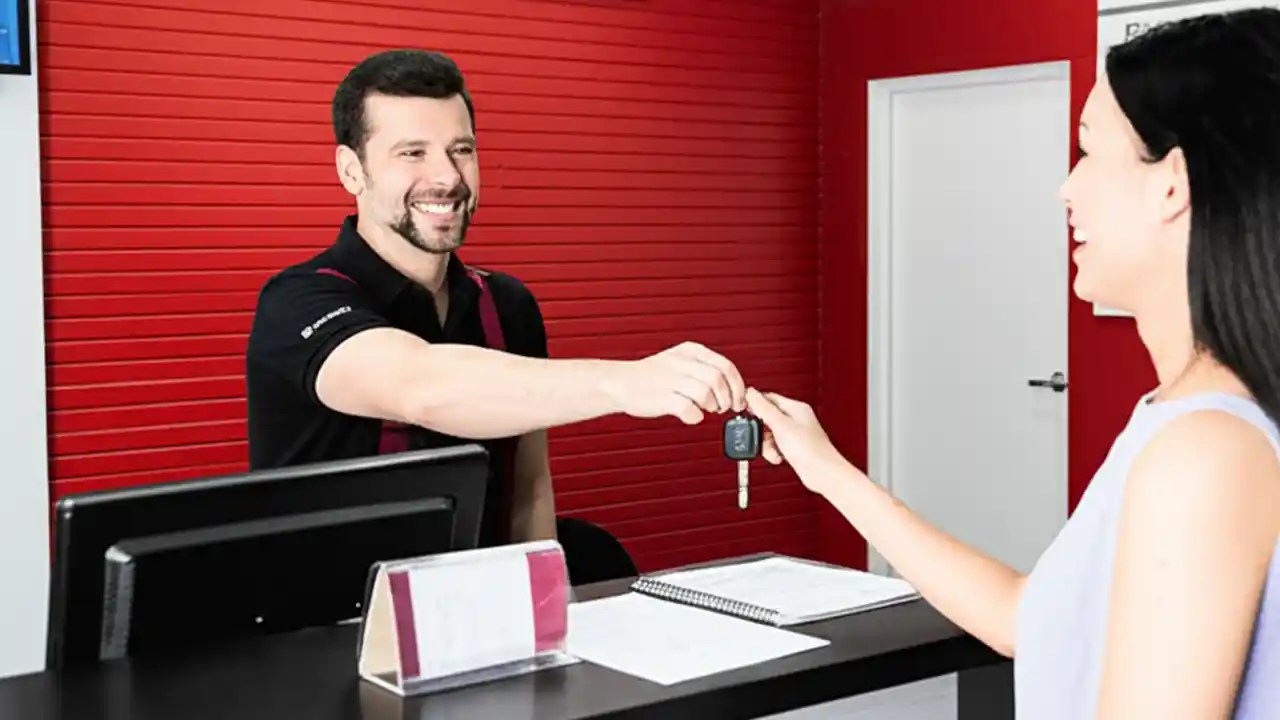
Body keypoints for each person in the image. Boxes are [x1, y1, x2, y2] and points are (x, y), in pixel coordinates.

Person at [745, 9, 1279, 719]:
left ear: (1171, 184)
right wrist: (828, 471)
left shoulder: (1204, 453)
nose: (1067, 189)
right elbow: (1026, 617)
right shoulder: (1178, 420)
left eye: (1089, 152)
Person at [245, 49, 746, 549]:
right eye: (412, 153)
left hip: (476, 609)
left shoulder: (507, 305)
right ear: (352, 171)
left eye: (461, 149)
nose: (447, 177)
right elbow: (420, 387)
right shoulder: (299, 303)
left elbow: (527, 488)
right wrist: (625, 382)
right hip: (335, 621)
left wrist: (550, 610)